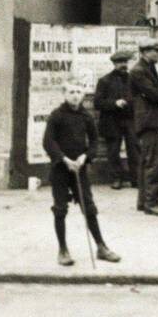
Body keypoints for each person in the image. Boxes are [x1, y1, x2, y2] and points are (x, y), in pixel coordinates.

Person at [43, 85, 121, 266]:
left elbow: (94, 140)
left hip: (80, 169)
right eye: (71, 92)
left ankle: (101, 247)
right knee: (60, 209)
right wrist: (63, 159)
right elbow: (48, 141)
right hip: (61, 170)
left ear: (83, 95)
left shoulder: (86, 116)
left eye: (78, 92)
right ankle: (63, 250)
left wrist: (85, 156)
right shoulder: (56, 116)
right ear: (64, 94)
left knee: (89, 208)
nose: (75, 96)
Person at [131, 40, 158, 216]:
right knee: (154, 163)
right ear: (144, 51)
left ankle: (144, 201)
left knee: (146, 162)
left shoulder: (146, 68)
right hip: (149, 121)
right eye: (155, 50)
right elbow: (156, 95)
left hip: (149, 120)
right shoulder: (139, 71)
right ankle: (151, 203)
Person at [93, 49, 138, 189]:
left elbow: (139, 99)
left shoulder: (133, 80)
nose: (123, 65)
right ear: (114, 63)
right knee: (113, 152)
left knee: (134, 150)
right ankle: (117, 178)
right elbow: (97, 103)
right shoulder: (104, 81)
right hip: (112, 121)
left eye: (125, 62)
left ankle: (135, 179)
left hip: (130, 120)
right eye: (120, 62)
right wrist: (114, 103)